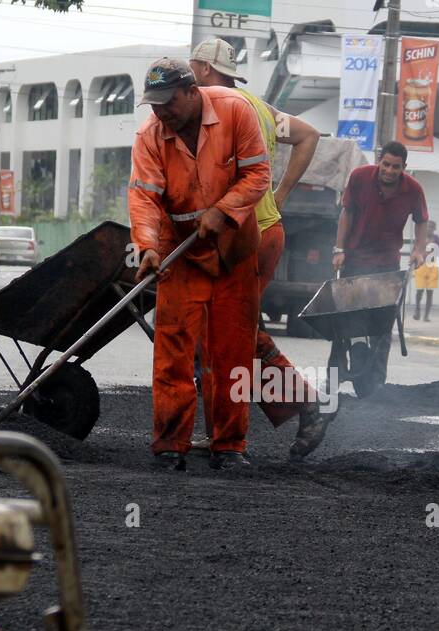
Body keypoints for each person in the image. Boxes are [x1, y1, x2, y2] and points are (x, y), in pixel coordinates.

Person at [188, 38, 332, 458]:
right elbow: (307, 134)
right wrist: (280, 195)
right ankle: (292, 408)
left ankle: (300, 406)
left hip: (247, 234)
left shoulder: (218, 108)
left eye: (193, 70)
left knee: (226, 334)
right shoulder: (257, 106)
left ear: (205, 69)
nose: (189, 79)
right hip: (264, 228)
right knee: (227, 332)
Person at [128, 57, 271, 472]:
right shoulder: (151, 135)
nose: (161, 113)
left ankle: (229, 446)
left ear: (192, 92)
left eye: (168, 102)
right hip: (180, 250)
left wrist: (223, 211)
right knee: (172, 348)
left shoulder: (234, 110)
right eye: (153, 105)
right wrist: (147, 246)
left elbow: (258, 174)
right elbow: (144, 197)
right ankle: (171, 444)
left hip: (234, 248)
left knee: (232, 350)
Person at [332, 141, 430, 382]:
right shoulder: (359, 177)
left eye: (396, 167)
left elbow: (422, 220)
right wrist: (339, 249)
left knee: (382, 326)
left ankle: (376, 382)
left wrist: (418, 249)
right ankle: (336, 375)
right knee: (347, 321)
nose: (389, 170)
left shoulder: (413, 189)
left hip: (387, 266)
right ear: (379, 160)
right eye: (385, 164)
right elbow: (347, 212)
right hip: (354, 261)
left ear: (403, 167)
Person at [412, 221, 439, 321]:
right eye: (427, 227)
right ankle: (417, 310)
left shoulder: (437, 240)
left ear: (435, 229)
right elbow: (414, 252)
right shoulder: (420, 238)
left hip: (433, 268)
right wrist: (412, 266)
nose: (429, 229)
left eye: (431, 227)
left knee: (430, 293)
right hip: (421, 267)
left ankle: (426, 315)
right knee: (419, 290)